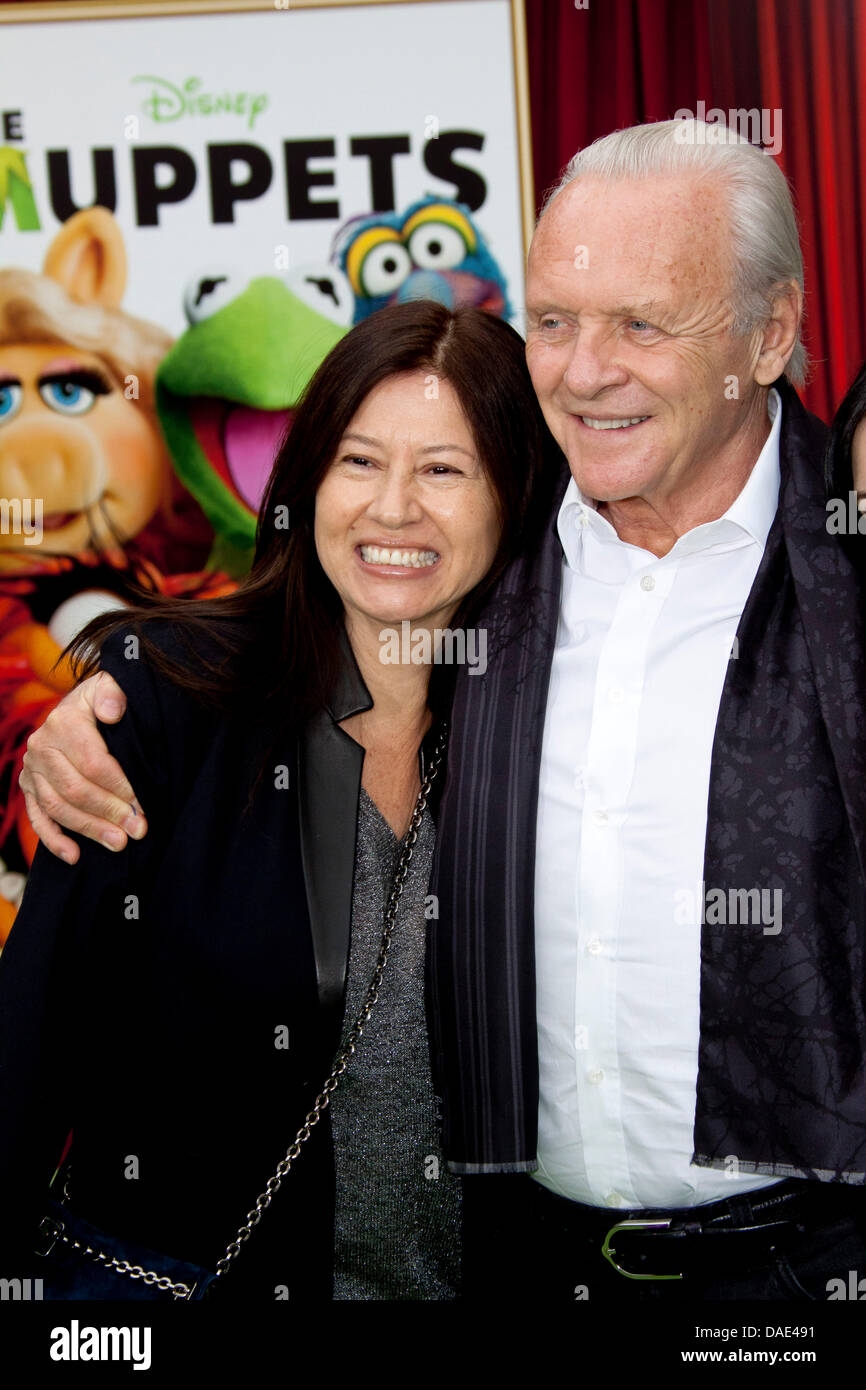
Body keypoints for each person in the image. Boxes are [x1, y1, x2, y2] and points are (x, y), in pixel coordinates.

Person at [20, 119, 866, 1302]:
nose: (583, 369)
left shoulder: (841, 555)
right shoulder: (507, 573)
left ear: (766, 333)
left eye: (639, 322)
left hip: (804, 1268)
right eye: (558, 320)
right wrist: (96, 718)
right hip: (508, 1271)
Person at [0, 299, 556, 1302]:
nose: (391, 508)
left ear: (515, 496)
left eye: (443, 468)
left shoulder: (550, 733)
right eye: (356, 461)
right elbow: (26, 1052)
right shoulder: (163, 701)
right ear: (302, 483)